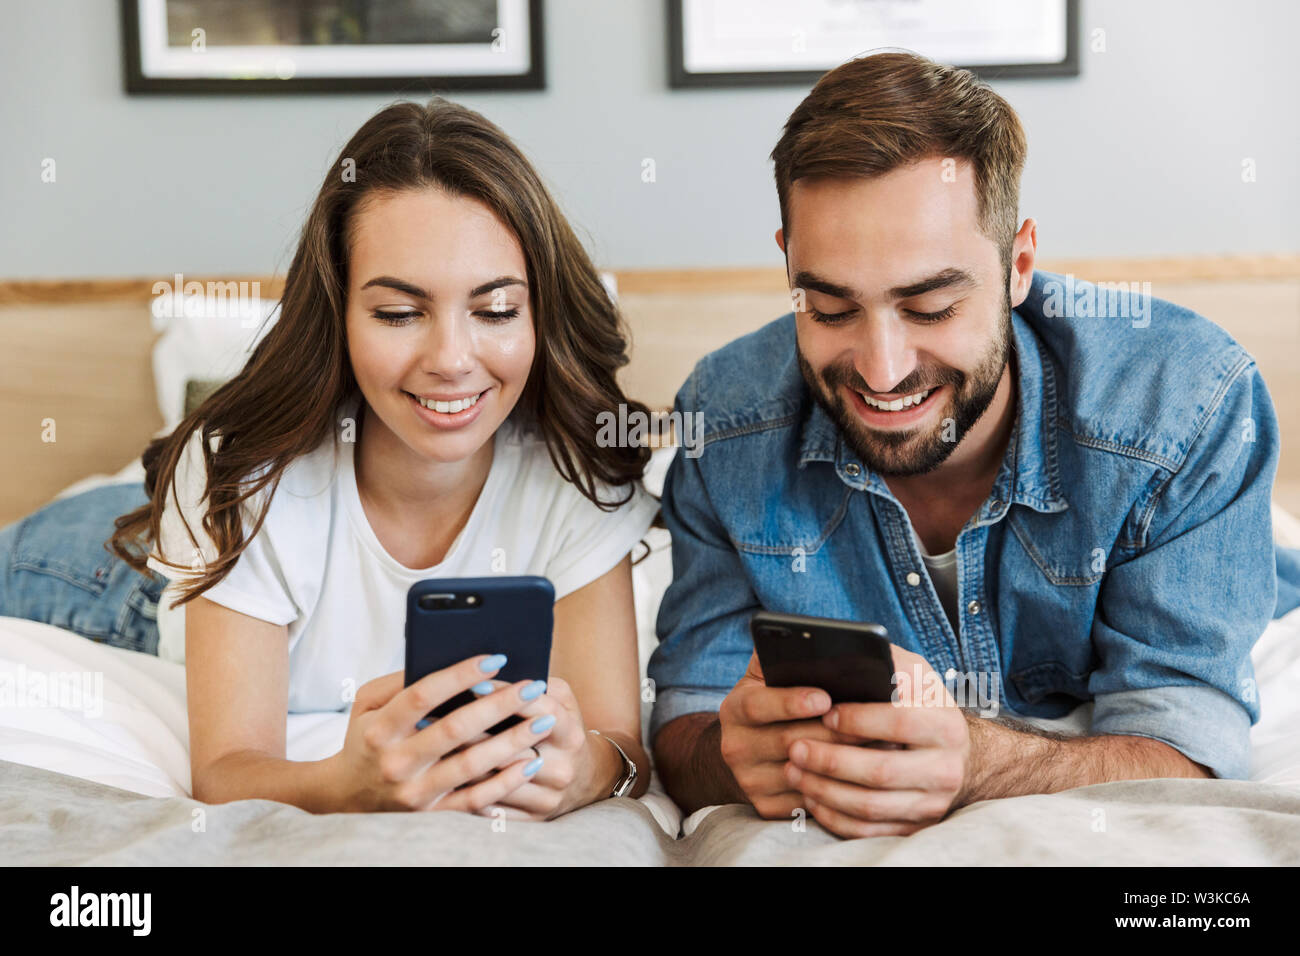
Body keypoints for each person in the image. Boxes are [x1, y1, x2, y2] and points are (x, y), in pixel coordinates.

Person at [648, 51, 1300, 838]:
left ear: (1018, 265)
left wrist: (976, 760)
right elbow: (685, 726)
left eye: (929, 307)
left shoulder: (1186, 405)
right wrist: (733, 756)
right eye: (830, 308)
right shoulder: (722, 424)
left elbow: (1192, 751)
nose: (881, 372)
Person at [1, 97, 657, 818]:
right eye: (399, 313)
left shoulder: (578, 468)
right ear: (338, 314)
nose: (451, 361)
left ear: (539, 313)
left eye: (495, 310)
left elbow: (620, 742)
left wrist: (586, 768)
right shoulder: (236, 476)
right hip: (103, 577)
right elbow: (223, 773)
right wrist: (350, 785)